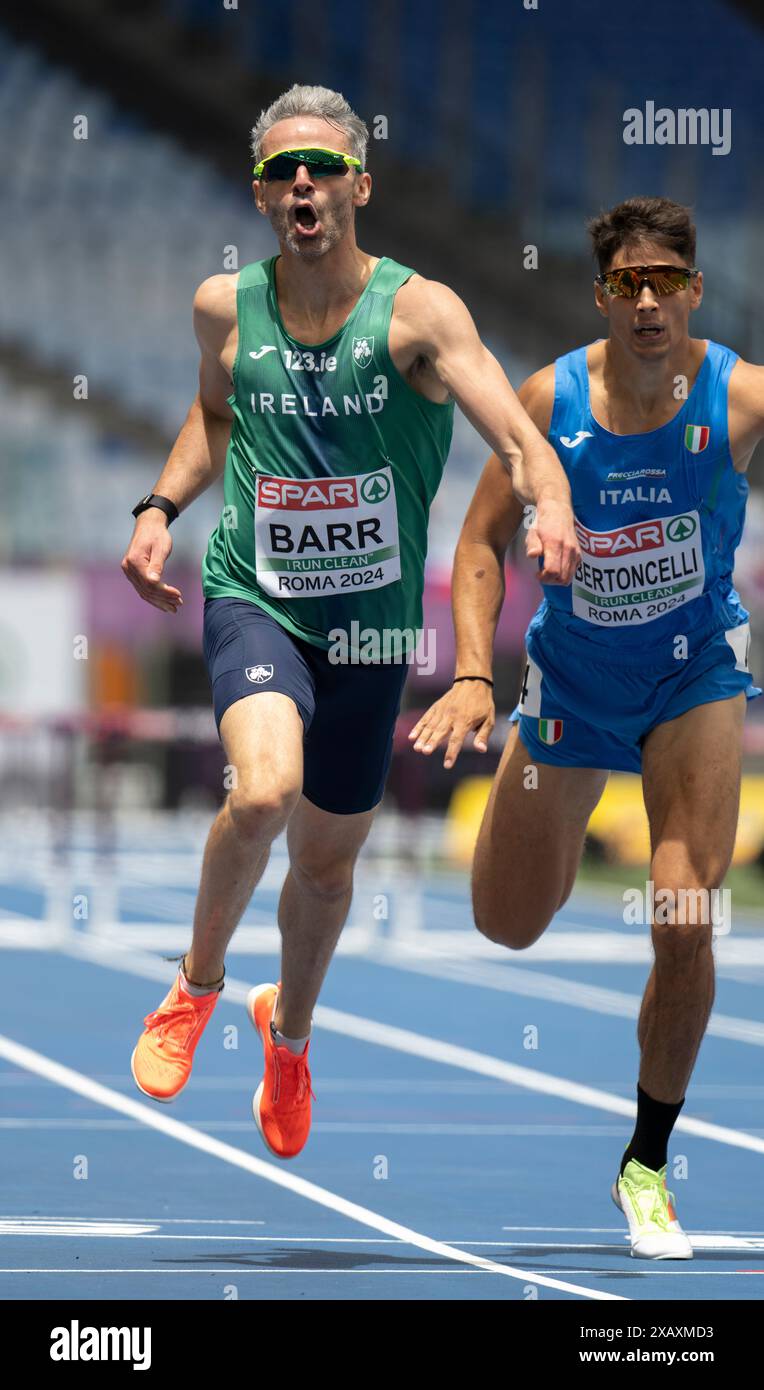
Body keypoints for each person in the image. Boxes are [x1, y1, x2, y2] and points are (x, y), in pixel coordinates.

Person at [121, 83, 578, 1159]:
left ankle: (287, 1037)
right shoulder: (223, 307)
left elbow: (514, 434)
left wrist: (547, 495)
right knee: (263, 788)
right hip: (256, 598)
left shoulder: (419, 314)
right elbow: (214, 412)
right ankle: (193, 986)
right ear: (261, 194)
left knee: (326, 868)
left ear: (358, 185)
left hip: (371, 630)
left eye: (320, 167)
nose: (301, 186)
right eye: (281, 172)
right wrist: (157, 508)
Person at [410, 196, 764, 1257]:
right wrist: (474, 673)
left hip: (689, 681)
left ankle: (646, 1167)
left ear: (693, 291)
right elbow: (473, 547)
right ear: (599, 295)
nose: (646, 301)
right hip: (564, 690)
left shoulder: (738, 399)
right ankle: (554, 837)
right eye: (626, 284)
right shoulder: (544, 401)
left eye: (665, 282)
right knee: (505, 922)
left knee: (680, 913)